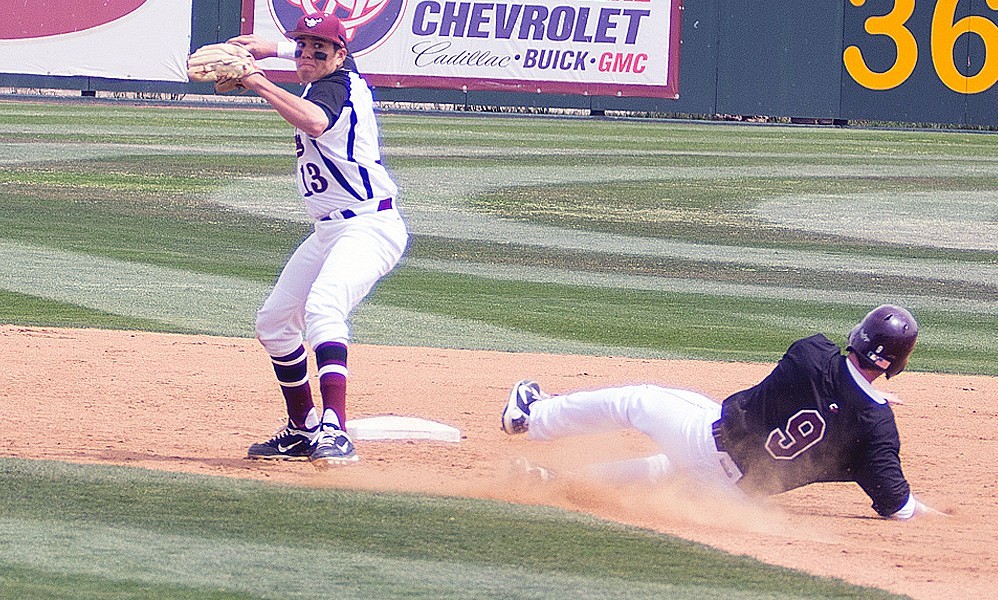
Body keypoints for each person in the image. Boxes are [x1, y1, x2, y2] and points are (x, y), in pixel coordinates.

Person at [501, 305, 942, 519]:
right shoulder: (877, 427)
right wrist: (871, 404)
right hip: (734, 498)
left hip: (703, 440)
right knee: (661, 471)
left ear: (860, 335)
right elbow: (896, 505)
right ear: (898, 362)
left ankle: (529, 416)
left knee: (635, 401)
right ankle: (558, 485)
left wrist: (860, 393)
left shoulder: (811, 352)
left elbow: (833, 379)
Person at [229, 14, 408, 467]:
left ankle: (336, 430)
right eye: (302, 47)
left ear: (340, 56)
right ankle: (302, 428)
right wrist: (275, 48)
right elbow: (315, 55)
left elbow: (313, 121)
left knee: (324, 308)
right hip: (330, 229)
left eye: (319, 49)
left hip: (370, 225)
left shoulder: (336, 89)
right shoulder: (334, 72)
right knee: (273, 323)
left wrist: (258, 81)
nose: (308, 55)